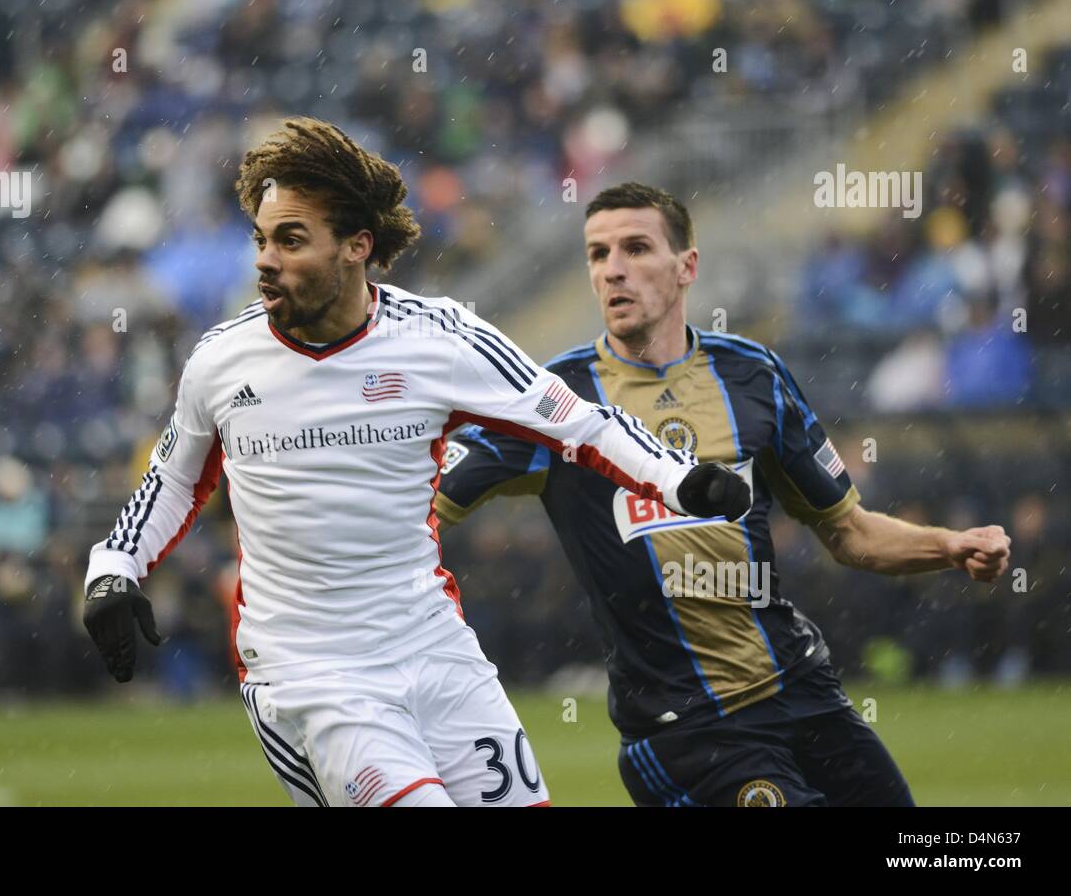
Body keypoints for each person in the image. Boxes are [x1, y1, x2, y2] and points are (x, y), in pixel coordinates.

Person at [80, 123, 749, 808]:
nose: (265, 261)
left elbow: (575, 421)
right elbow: (174, 479)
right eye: (260, 239)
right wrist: (114, 568)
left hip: (436, 653)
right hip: (312, 676)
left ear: (356, 246)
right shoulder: (222, 361)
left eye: (290, 240)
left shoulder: (438, 339)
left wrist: (678, 478)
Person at [435, 182, 1011, 807]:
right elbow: (420, 501)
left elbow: (851, 533)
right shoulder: (551, 399)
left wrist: (951, 545)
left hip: (802, 690)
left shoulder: (754, 375)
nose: (614, 270)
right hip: (688, 729)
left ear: (687, 268)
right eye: (598, 255)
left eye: (635, 248)